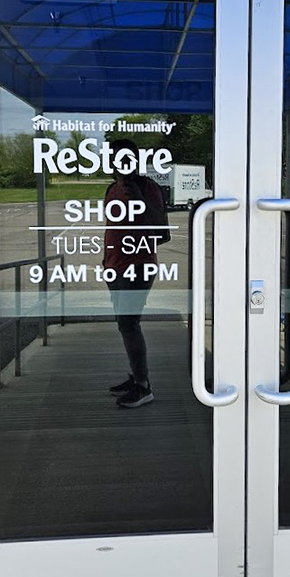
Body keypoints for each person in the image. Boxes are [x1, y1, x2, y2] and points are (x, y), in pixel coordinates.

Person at [104, 139, 168, 408]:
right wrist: (105, 261)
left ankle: (143, 386)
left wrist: (141, 202)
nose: (120, 162)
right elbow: (111, 228)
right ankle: (137, 377)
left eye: (125, 157)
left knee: (129, 323)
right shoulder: (111, 189)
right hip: (114, 266)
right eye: (114, 157)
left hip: (138, 267)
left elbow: (162, 233)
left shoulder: (147, 187)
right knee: (124, 324)